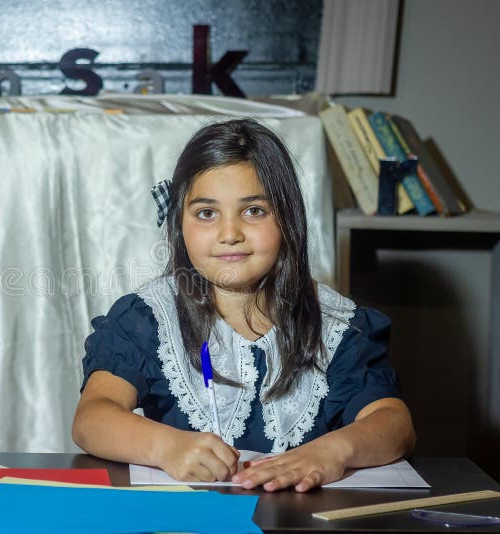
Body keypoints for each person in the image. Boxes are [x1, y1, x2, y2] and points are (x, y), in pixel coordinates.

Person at [72, 118, 415, 492]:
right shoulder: (148, 318)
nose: (230, 233)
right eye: (206, 213)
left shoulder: (338, 325)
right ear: (178, 224)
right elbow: (92, 417)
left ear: (288, 219)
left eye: (254, 211)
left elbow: (393, 423)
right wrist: (165, 446)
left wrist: (333, 452)